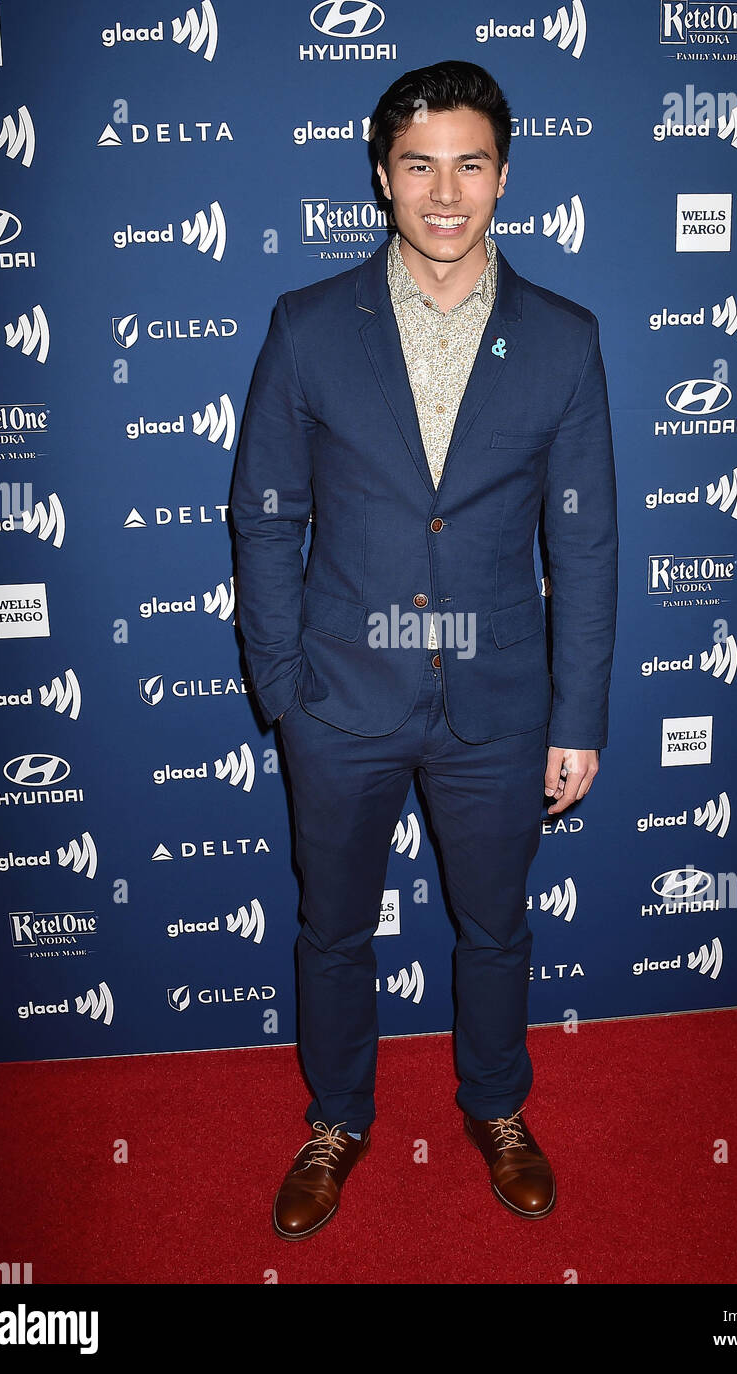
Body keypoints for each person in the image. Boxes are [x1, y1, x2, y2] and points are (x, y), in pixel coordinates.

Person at [230, 60, 618, 1241]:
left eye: (469, 164)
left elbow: (588, 541)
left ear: (504, 176)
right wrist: (285, 688)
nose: (444, 192)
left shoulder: (563, 337)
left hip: (499, 703)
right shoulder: (306, 325)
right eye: (418, 164)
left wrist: (578, 716)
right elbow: (263, 513)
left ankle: (497, 1108)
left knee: (498, 927)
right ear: (380, 173)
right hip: (342, 699)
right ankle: (338, 1117)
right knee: (333, 927)